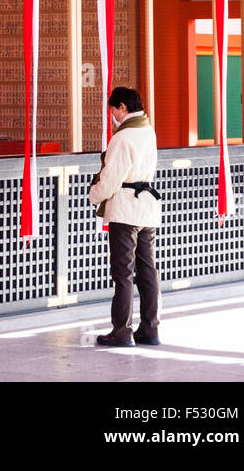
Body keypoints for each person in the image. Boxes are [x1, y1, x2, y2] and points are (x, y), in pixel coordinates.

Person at [88, 86, 162, 347]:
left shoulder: (123, 138)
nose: (112, 116)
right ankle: (150, 329)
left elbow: (111, 180)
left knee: (123, 274)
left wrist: (93, 194)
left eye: (113, 110)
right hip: (147, 210)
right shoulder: (148, 132)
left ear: (122, 107)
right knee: (148, 271)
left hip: (125, 210)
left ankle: (121, 331)